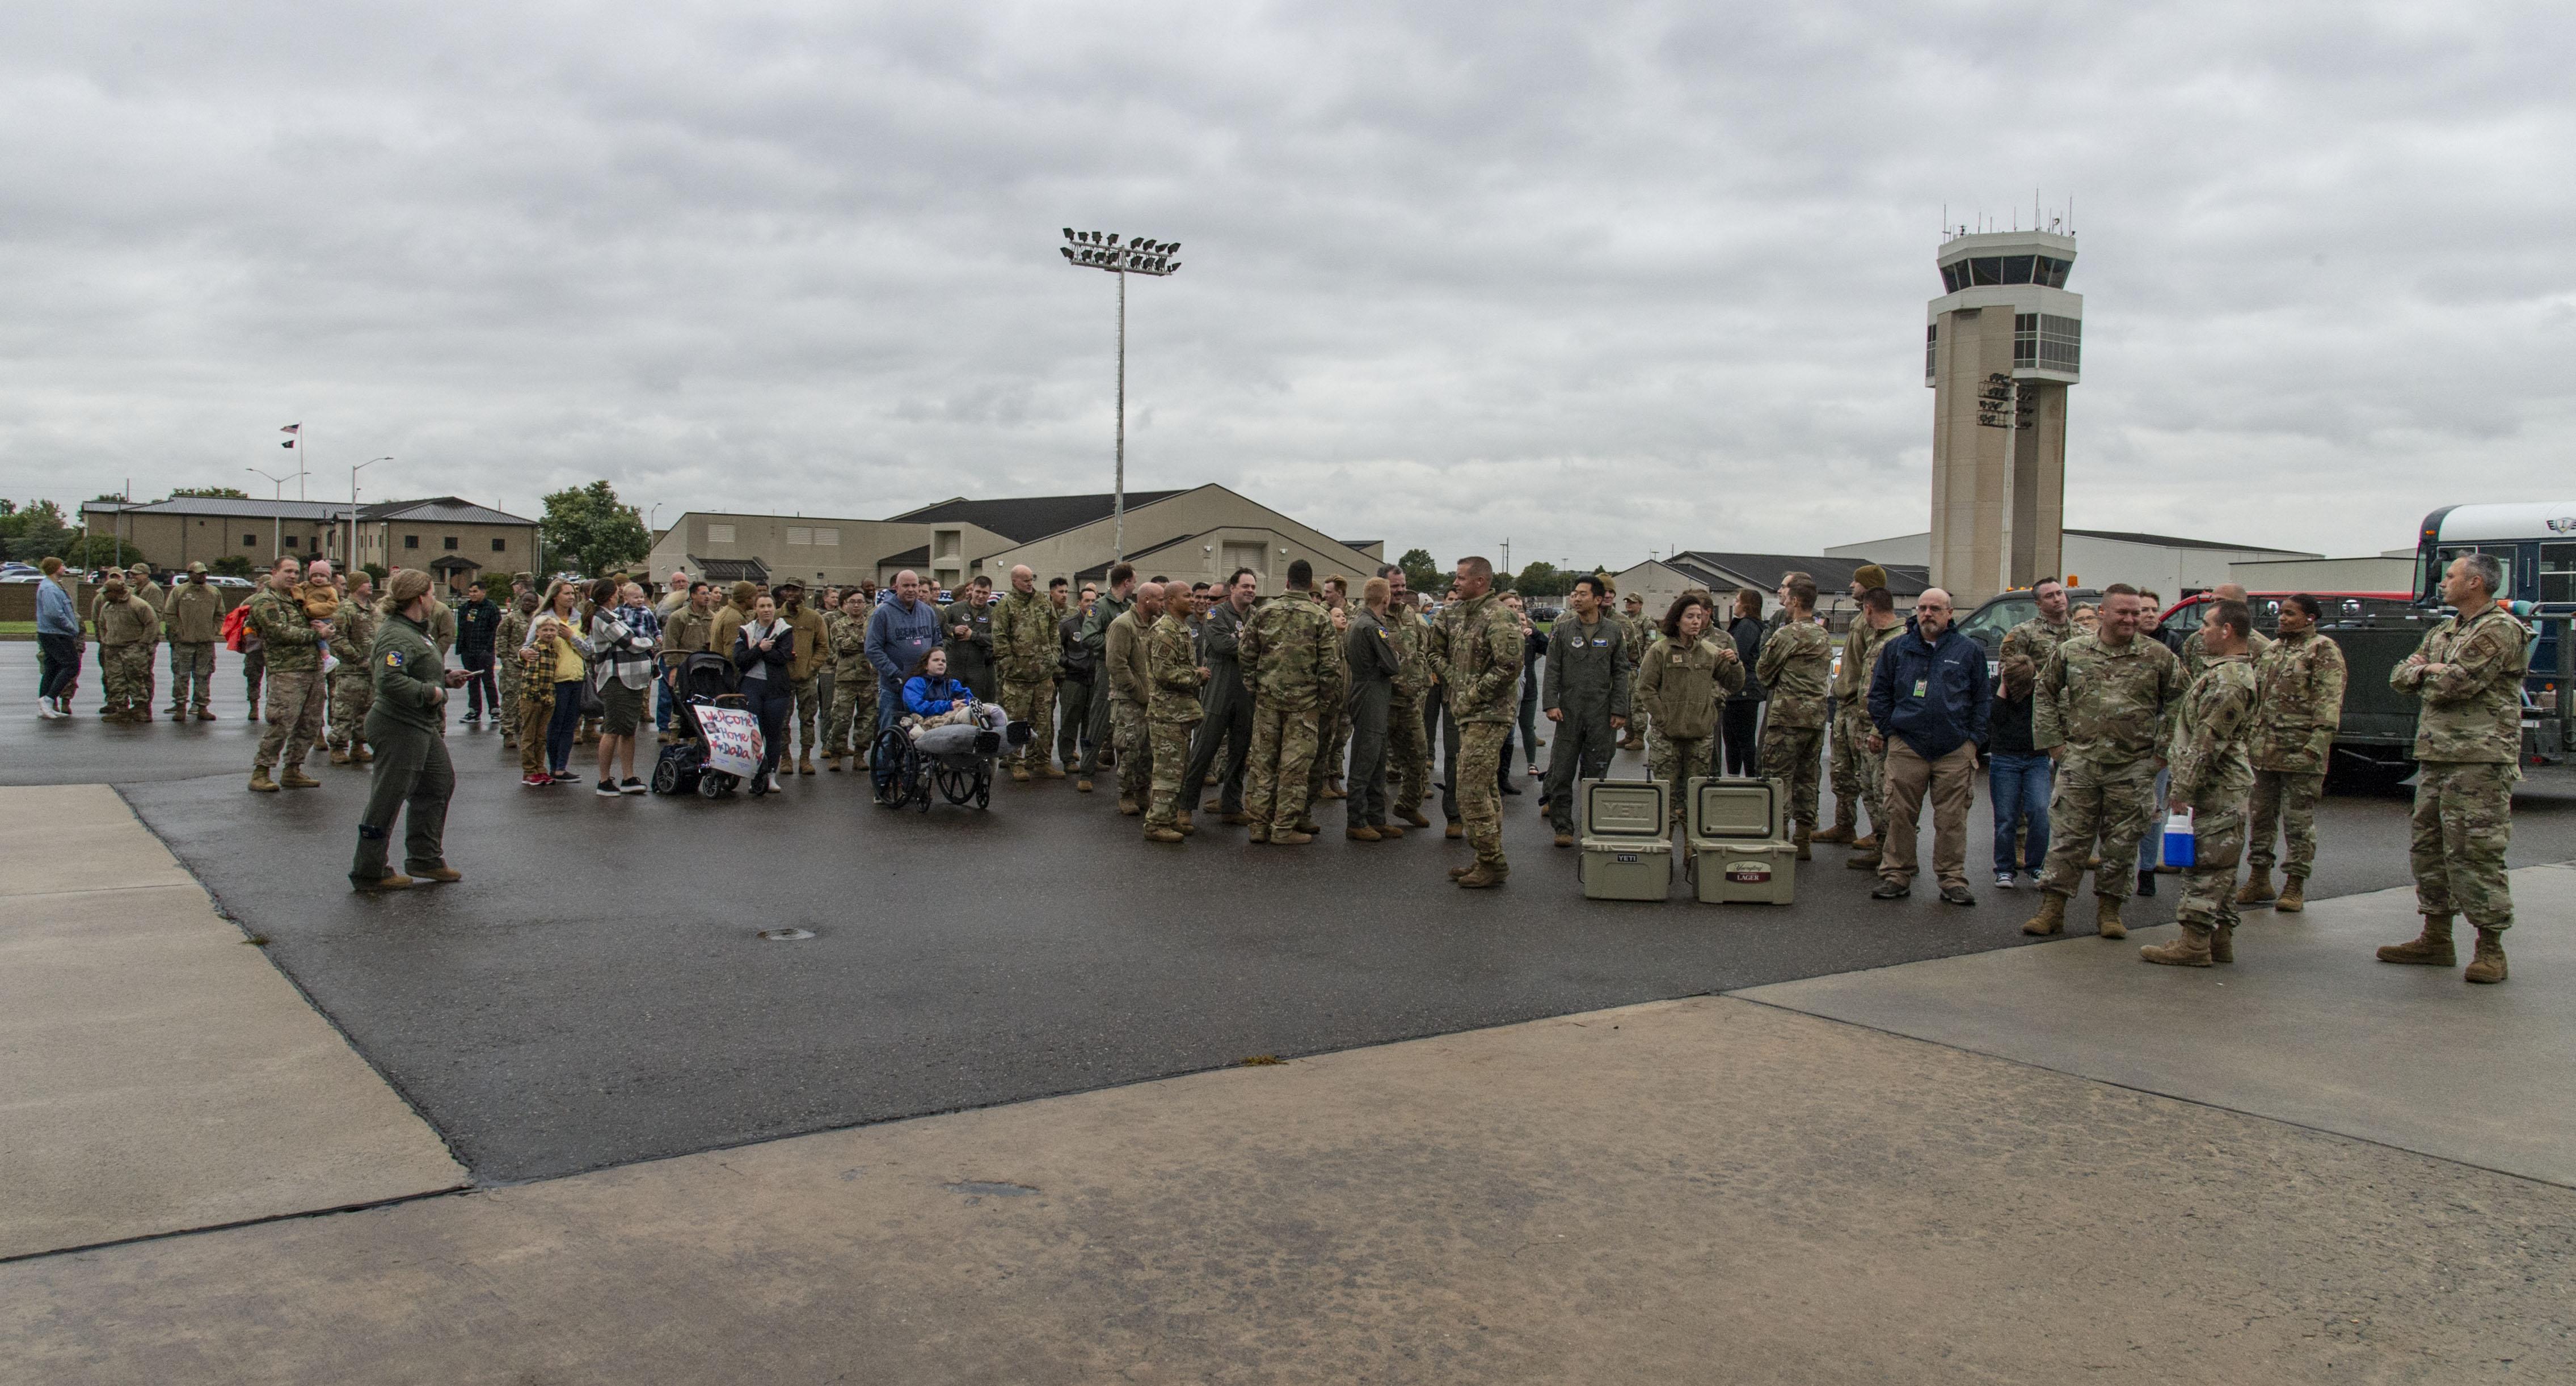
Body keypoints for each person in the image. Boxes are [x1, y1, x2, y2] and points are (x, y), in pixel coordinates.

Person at [2377, 553, 2529, 984]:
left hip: (2479, 759)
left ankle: (2490, 949)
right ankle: (2436, 938)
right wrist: (2429, 667)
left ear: (2475, 583)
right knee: (2428, 849)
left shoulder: (2499, 629)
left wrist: (2425, 672)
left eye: (2450, 577)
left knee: (2476, 853)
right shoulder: (2446, 629)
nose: (2442, 583)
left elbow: (2457, 683)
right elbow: (2397, 676)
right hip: (2437, 755)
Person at [2021, 584, 2185, 940]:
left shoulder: (2158, 656)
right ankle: (2052, 910)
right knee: (2067, 840)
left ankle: (2110, 911)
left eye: (2137, 613)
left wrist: (2161, 753)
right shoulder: (2072, 652)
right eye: (2123, 612)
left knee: (2122, 844)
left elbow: (2181, 702)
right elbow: (2045, 692)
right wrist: (2054, 746)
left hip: (2133, 767)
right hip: (2080, 763)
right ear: (2103, 613)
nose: (2131, 619)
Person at [2140, 600, 2261, 966]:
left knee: (2206, 868)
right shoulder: (2225, 672)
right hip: (2219, 784)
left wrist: (2182, 791)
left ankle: (2193, 945)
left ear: (2227, 631)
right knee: (2220, 867)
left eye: (2207, 624)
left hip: (2215, 787)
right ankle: (2219, 941)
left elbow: (2206, 743)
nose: (2200, 632)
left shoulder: (2228, 680)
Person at [348, 569, 473, 892]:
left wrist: (444, 678)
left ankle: (425, 858)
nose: (436, 599)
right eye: (433, 593)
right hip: (398, 726)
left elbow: (416, 668)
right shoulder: (397, 635)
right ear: (420, 597)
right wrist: (430, 693)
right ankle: (369, 870)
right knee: (388, 798)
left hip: (421, 724)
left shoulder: (417, 631)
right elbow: (389, 680)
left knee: (438, 784)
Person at [1866, 588, 1991, 905]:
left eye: (1935, 608)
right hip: (1907, 745)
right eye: (1922, 608)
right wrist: (1891, 732)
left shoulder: (1968, 651)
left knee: (1952, 819)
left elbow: (1982, 700)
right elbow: (1879, 694)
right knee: (1899, 814)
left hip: (1953, 749)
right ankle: (1896, 875)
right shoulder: (1897, 649)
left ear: (1950, 613)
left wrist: (1972, 741)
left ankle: (1952, 880)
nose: (1927, 614)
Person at [2236, 594, 2348, 914]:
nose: (2282, 619)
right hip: (2263, 750)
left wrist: (2317, 745)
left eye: (2291, 614)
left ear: (2310, 618)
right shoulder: (2272, 651)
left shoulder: (2322, 649)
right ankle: (2259, 879)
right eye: (2281, 613)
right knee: (2260, 818)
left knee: (2298, 823)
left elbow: (2329, 700)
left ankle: (2294, 884)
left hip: (2300, 751)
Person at [1427, 557, 1525, 886]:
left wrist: (1473, 693)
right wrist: (1457, 681)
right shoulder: (1451, 613)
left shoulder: (1500, 615)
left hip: (1491, 713)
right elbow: (1434, 653)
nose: (1456, 583)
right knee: (1484, 789)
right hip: (1464, 710)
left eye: (1461, 578)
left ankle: (1493, 862)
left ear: (1480, 582)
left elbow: (1510, 665)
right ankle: (1485, 857)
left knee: (1469, 789)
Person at [1239, 561, 1338, 846]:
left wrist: (1254, 689)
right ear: (1309, 586)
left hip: (1268, 702)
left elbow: (1245, 654)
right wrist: (1323, 702)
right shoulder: (1320, 617)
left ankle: (1258, 825)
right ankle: (1283, 828)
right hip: (1304, 706)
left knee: (1262, 764)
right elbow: (1330, 667)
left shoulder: (1264, 614)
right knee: (1294, 768)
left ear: (1286, 583)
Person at [1633, 590, 1745, 825]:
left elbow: (1733, 684)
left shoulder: (1710, 652)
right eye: (1689, 617)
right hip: (1667, 737)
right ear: (1677, 620)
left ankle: (1691, 848)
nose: (1696, 622)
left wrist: (1734, 663)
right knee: (1666, 797)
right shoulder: (1660, 651)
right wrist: (1663, 717)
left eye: (1699, 617)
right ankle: (1664, 849)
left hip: (1700, 736)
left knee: (1696, 798)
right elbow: (1646, 689)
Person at [1541, 575, 1632, 848]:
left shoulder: (1614, 631)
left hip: (1601, 714)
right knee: (1562, 772)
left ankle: (1594, 824)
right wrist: (1551, 703)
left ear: (1597, 599)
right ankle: (1563, 826)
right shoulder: (1564, 629)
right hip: (1569, 712)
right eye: (1574, 594)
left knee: (1597, 772)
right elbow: (1552, 669)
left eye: (1582, 594)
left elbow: (1621, 671)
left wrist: (1620, 710)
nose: (1576, 598)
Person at [1755, 574, 1833, 859]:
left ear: (1797, 601)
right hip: (1815, 719)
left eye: (1787, 597)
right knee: (1807, 778)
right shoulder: (1823, 634)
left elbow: (1764, 672)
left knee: (1779, 778)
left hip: (1787, 717)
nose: (1784, 601)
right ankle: (1803, 838)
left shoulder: (1787, 634)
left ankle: (1781, 837)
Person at [1822, 563, 1895, 844]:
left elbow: (1873, 667)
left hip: (1858, 708)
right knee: (1842, 771)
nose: (1852, 586)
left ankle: (1880, 834)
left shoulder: (1872, 621)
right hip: (1843, 704)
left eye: (1857, 582)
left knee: (1870, 775)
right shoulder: (1859, 618)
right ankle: (1844, 824)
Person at [1832, 586, 1905, 868]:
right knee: (1869, 785)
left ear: (1869, 609)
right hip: (1865, 725)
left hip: (1882, 729)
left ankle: (1893, 851)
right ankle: (1883, 842)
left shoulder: (1895, 641)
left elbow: (1893, 689)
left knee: (1884, 790)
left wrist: (1878, 729)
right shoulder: (1879, 638)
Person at [246, 556, 331, 791]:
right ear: (274, 572)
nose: (293, 576)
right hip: (286, 670)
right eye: (288, 571)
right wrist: (318, 635)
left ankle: (293, 768)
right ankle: (261, 771)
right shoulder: (265, 600)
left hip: (312, 667)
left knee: (311, 722)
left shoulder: (297, 599)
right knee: (281, 722)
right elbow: (279, 632)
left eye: (296, 572)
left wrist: (320, 627)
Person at [1182, 568, 1259, 825]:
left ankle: (1231, 805)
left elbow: (1262, 646)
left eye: (1253, 587)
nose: (1250, 591)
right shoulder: (1216, 613)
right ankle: (1185, 807)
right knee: (1204, 750)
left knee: (1239, 753)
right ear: (1232, 589)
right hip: (1220, 690)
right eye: (1245, 586)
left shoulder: (1257, 616)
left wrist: (1240, 640)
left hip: (1246, 692)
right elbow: (1221, 644)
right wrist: (1249, 644)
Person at [1141, 586, 1209, 842]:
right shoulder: (1164, 630)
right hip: (1166, 713)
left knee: (1178, 770)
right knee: (1166, 772)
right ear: (1171, 601)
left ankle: (1168, 818)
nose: (1193, 600)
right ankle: (1156, 824)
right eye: (1187, 597)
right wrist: (1196, 675)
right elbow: (1164, 673)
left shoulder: (1180, 628)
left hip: (1179, 713)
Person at [1343, 576, 1406, 842]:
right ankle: (1357, 821)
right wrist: (1394, 659)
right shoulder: (1373, 627)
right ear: (1385, 598)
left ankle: (1376, 818)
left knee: (1378, 759)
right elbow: (1393, 665)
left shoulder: (1357, 623)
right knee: (1365, 759)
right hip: (1372, 693)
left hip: (1366, 690)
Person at [1986, 647, 2050, 890]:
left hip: (2036, 759)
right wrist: (2003, 685)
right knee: (2006, 817)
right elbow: (1996, 719)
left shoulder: (2039, 689)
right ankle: (2004, 869)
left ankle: (2035, 866)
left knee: (2040, 811)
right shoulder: (1996, 686)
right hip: (2004, 758)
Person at [588, 578, 659, 795]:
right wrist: (650, 641)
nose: (619, 596)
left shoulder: (613, 616)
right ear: (610, 596)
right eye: (617, 593)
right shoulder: (603, 619)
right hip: (617, 678)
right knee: (612, 729)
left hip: (633, 679)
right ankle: (604, 780)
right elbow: (630, 643)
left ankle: (628, 776)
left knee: (629, 730)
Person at [992, 564, 1060, 783]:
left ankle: (1041, 762)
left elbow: (1054, 630)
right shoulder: (1006, 605)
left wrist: (1054, 656)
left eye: (1032, 579)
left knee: (1044, 721)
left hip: (1043, 673)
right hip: (1017, 677)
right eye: (1025, 580)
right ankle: (1016, 762)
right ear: (1014, 582)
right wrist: (1008, 664)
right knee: (1016, 721)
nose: (1030, 583)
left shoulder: (1042, 601)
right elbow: (999, 637)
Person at [1380, 564, 1435, 831]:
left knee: (1418, 758)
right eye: (1395, 586)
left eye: (1403, 585)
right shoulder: (1371, 617)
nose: (1401, 590)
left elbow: (1421, 652)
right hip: (1381, 703)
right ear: (1382, 588)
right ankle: (1373, 817)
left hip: (1409, 703)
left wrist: (1421, 680)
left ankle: (1408, 806)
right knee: (1374, 765)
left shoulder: (1412, 617)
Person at [521, 580, 592, 785]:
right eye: (567, 594)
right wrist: (522, 655)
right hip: (553, 682)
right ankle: (550, 767)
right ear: (555, 596)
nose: (571, 597)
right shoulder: (543, 619)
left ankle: (561, 768)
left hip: (576, 679)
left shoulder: (580, 619)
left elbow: (589, 651)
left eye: (573, 593)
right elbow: (527, 647)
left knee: (569, 726)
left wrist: (572, 637)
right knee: (554, 726)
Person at [1102, 581, 1163, 815]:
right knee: (1130, 749)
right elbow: (1116, 665)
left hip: (1151, 700)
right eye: (1159, 599)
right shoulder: (1123, 625)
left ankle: (1142, 792)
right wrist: (1140, 692)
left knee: (1149, 751)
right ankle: (1126, 794)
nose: (1162, 605)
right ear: (1146, 599)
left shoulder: (1156, 625)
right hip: (1128, 699)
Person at [1076, 565, 1138, 790]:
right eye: (1134, 581)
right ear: (1125, 582)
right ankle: (1086, 772)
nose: (1135, 586)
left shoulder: (1131, 607)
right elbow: (1089, 638)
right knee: (1099, 719)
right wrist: (1117, 646)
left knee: (1131, 722)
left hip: (1129, 670)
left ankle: (1130, 778)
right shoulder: (1100, 607)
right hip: (1107, 668)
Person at [732, 592, 796, 794]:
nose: (766, 610)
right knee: (755, 734)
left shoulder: (784, 630)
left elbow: (783, 656)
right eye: (762, 606)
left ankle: (770, 776)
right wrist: (761, 648)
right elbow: (740, 660)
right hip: (752, 686)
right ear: (756, 609)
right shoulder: (746, 631)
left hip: (776, 688)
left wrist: (759, 653)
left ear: (775, 608)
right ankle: (755, 776)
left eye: (770, 606)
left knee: (774, 733)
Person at [865, 570, 942, 736]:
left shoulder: (928, 612)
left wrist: (934, 668)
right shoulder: (882, 613)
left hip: (923, 686)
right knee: (890, 734)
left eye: (914, 585)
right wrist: (895, 673)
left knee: (920, 733)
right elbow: (872, 649)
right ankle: (884, 762)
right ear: (896, 588)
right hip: (894, 687)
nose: (911, 590)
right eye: (906, 586)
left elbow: (937, 643)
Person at [769, 580, 828, 774]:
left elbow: (823, 646)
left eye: (796, 589)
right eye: (788, 589)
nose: (792, 593)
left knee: (808, 719)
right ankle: (785, 758)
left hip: (807, 678)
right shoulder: (777, 616)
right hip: (782, 678)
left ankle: (805, 758)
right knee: (782, 720)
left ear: (804, 593)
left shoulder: (813, 618)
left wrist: (813, 666)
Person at [324, 572, 381, 763]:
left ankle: (359, 745)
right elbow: (336, 637)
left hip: (371, 670)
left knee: (366, 710)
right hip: (351, 670)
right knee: (345, 710)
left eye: (371, 582)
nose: (370, 585)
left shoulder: (373, 610)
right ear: (356, 586)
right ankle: (338, 747)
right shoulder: (345, 609)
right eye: (366, 582)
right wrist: (356, 657)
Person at [823, 587, 877, 770]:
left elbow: (874, 644)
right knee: (841, 719)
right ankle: (835, 754)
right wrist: (865, 643)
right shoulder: (838, 624)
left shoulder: (871, 624)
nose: (856, 605)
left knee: (867, 720)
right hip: (846, 679)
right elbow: (844, 645)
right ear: (845, 605)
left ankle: (860, 754)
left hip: (868, 679)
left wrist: (862, 643)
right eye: (852, 602)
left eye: (860, 602)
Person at [94, 577, 159, 722]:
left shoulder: (138, 605)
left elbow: (152, 624)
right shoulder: (107, 607)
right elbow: (102, 625)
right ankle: (121, 709)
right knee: (116, 680)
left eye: (107, 593)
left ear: (115, 592)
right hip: (113, 649)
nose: (104, 596)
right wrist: (106, 640)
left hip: (133, 648)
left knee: (137, 679)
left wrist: (143, 643)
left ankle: (141, 709)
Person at [659, 580, 716, 745]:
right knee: (679, 701)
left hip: (704, 668)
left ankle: (695, 737)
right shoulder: (679, 617)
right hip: (684, 666)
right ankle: (674, 737)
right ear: (693, 595)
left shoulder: (713, 617)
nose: (707, 597)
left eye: (708, 594)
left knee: (702, 702)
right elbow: (670, 644)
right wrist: (673, 667)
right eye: (703, 593)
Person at [163, 562, 221, 720]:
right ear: (190, 574)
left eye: (205, 573)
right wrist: (179, 631)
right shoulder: (179, 591)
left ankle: (202, 706)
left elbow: (220, 614)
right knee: (181, 675)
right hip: (184, 643)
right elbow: (169, 615)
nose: (203, 576)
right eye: (199, 573)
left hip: (205, 643)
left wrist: (213, 630)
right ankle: (180, 706)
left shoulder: (213, 592)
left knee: (204, 675)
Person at [2179, 582, 2272, 681]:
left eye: (2221, 601)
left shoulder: (2262, 647)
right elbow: (2187, 677)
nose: (2215, 605)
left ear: (2241, 604)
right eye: (2212, 601)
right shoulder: (2196, 639)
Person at [1719, 589, 1766, 777]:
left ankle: (1750, 778)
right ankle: (1734, 778)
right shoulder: (1744, 624)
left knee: (1742, 739)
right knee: (1732, 740)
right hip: (1739, 690)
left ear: (1746, 605)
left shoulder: (1747, 625)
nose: (1734, 603)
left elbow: (1740, 652)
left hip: (1744, 690)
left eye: (1737, 600)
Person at [1056, 584, 1098, 777]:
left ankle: (1090, 758)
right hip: (1073, 679)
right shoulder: (1068, 624)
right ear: (1079, 603)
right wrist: (1069, 663)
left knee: (1091, 723)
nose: (1090, 604)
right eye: (1087, 601)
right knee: (1070, 720)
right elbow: (1056, 650)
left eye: (1093, 601)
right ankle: (1068, 759)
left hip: (1095, 679)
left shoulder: (1101, 622)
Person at [35, 556, 83, 720]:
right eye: (62, 565)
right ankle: (48, 699)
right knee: (71, 665)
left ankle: (45, 704)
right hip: (55, 633)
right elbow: (54, 614)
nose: (64, 567)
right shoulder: (49, 588)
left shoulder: (55, 586)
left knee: (53, 667)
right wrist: (71, 627)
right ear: (55, 568)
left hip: (54, 632)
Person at [497, 587, 539, 757]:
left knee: (528, 699)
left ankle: (524, 730)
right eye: (525, 601)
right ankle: (508, 733)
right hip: (513, 664)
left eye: (531, 601)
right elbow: (501, 639)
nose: (528, 604)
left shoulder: (538, 619)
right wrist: (506, 660)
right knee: (511, 699)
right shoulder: (511, 619)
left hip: (532, 665)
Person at [943, 574, 997, 704]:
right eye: (978, 592)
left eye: (985, 593)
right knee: (951, 704)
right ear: (971, 591)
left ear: (990, 594)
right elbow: (939, 628)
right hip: (954, 665)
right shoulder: (955, 609)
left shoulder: (994, 614)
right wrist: (953, 630)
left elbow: (997, 639)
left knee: (976, 704)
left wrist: (973, 636)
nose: (981, 596)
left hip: (978, 668)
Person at [456, 580, 501, 726]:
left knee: (488, 681)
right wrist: (461, 648)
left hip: (485, 652)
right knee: (472, 682)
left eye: (475, 591)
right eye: (470, 592)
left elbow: (496, 630)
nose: (472, 595)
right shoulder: (465, 608)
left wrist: (488, 649)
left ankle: (495, 711)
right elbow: (462, 629)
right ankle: (474, 711)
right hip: (468, 651)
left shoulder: (491, 608)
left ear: (483, 592)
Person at [1616, 590, 1652, 750]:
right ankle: (1629, 734)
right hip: (1628, 667)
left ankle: (1639, 737)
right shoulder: (1625, 621)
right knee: (1627, 702)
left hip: (1641, 667)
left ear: (1640, 605)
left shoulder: (1647, 622)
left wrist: (1645, 665)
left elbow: (1652, 643)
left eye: (1633, 602)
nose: (1629, 604)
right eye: (1627, 602)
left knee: (1638, 703)